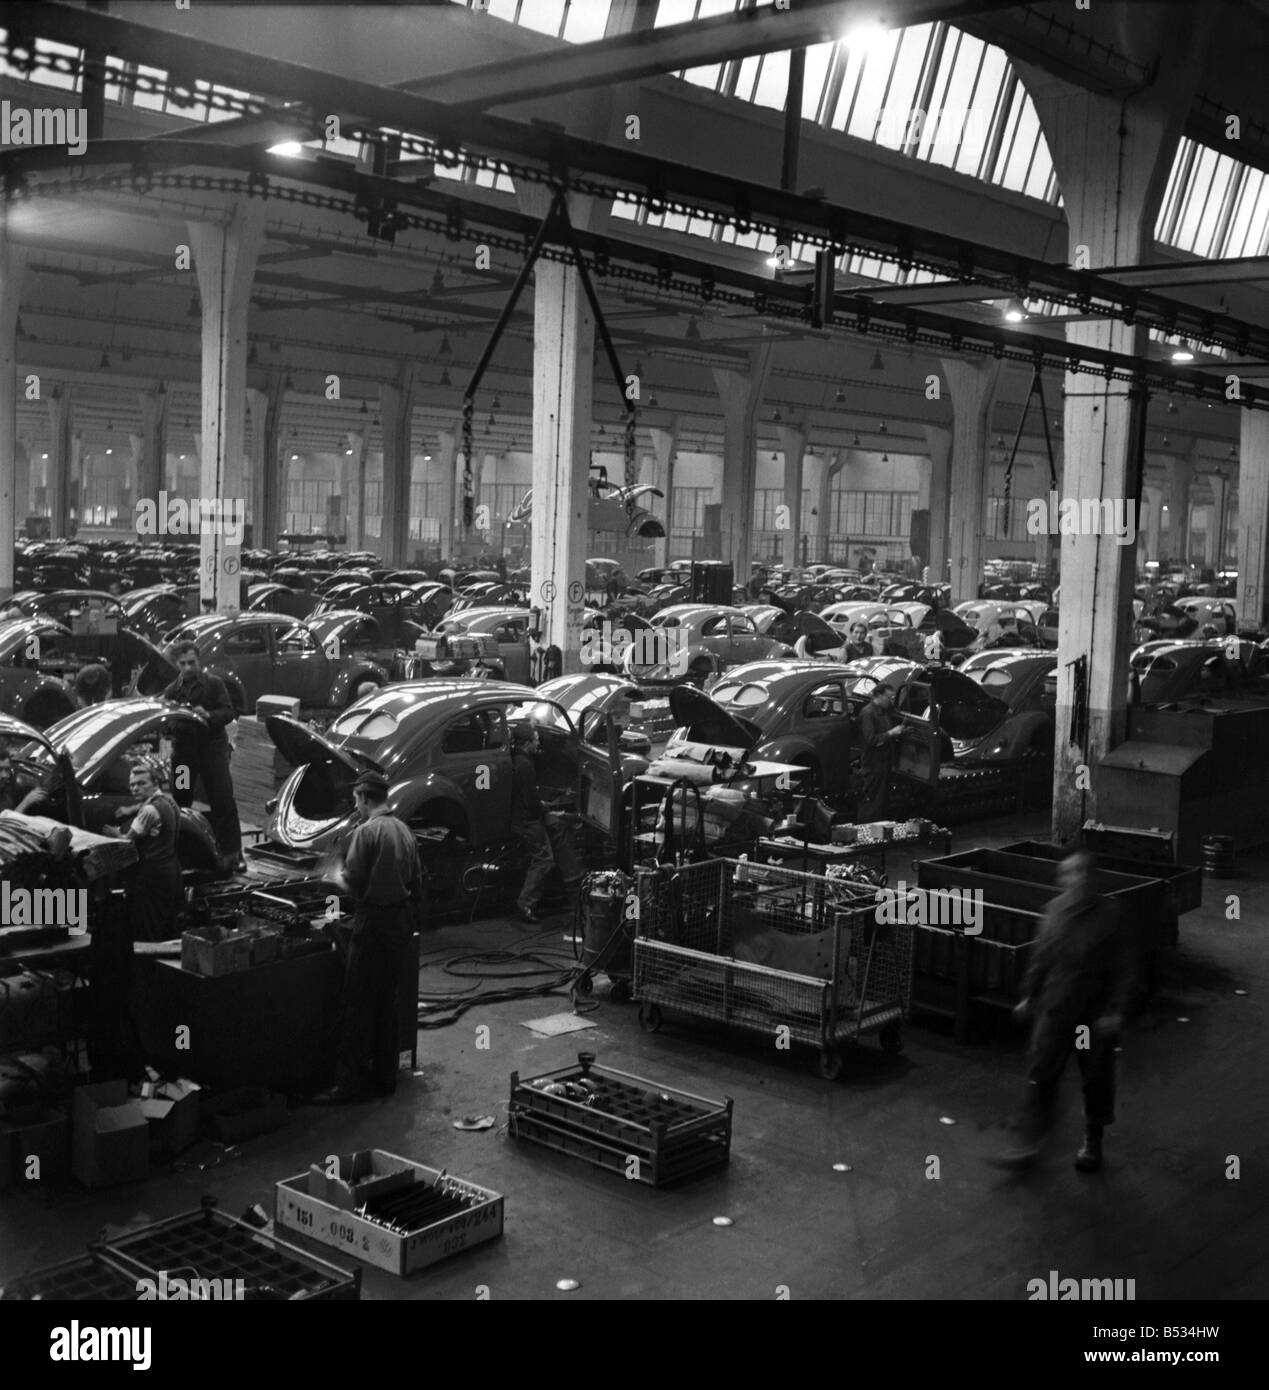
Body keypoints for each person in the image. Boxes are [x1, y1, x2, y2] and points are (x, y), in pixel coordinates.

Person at [989, 850, 1138, 1173]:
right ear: (1064, 879)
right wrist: (1029, 995)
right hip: (1056, 1009)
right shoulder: (1054, 912)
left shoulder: (1111, 916)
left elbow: (1124, 969)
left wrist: (1115, 1011)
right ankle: (1030, 1139)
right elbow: (1041, 957)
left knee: (1094, 1077)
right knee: (1041, 1071)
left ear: (1093, 877)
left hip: (1090, 1019)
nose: (1079, 878)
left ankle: (1093, 1139)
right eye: (1073, 873)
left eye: (1085, 871)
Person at [315, 770, 423, 1105]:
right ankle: (385, 1079)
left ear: (363, 797)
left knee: (358, 1003)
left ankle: (348, 1084)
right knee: (387, 1002)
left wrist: (334, 878)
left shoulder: (367, 832)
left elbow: (355, 881)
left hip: (374, 922)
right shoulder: (404, 830)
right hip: (399, 923)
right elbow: (417, 881)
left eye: (356, 800)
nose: (356, 806)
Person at [163, 640, 243, 871]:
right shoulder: (172, 691)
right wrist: (184, 718)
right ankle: (181, 855)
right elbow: (167, 725)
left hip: (212, 752)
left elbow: (228, 712)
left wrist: (207, 715)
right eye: (183, 663)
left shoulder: (214, 684)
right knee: (180, 801)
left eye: (192, 662)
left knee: (222, 800)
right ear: (177, 664)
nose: (188, 668)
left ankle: (233, 854)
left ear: (199, 661)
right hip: (183, 757)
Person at [102, 758, 182, 942]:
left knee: (147, 928)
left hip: (151, 877)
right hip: (171, 872)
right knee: (165, 924)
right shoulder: (170, 802)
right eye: (132, 785)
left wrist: (113, 833)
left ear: (154, 784)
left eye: (141, 783)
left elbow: (126, 840)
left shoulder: (149, 811)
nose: (135, 788)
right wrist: (132, 808)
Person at [511, 719, 582, 925]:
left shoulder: (518, 759)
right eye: (535, 740)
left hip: (523, 817)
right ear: (526, 743)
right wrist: (546, 807)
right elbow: (531, 801)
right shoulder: (525, 765)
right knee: (544, 859)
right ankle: (525, 904)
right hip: (528, 820)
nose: (538, 744)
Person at [855, 685, 905, 819]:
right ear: (879, 696)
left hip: (884, 762)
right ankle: (865, 829)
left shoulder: (885, 712)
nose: (891, 701)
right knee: (872, 799)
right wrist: (891, 733)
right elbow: (871, 739)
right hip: (873, 763)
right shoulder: (868, 713)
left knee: (881, 800)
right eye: (889, 698)